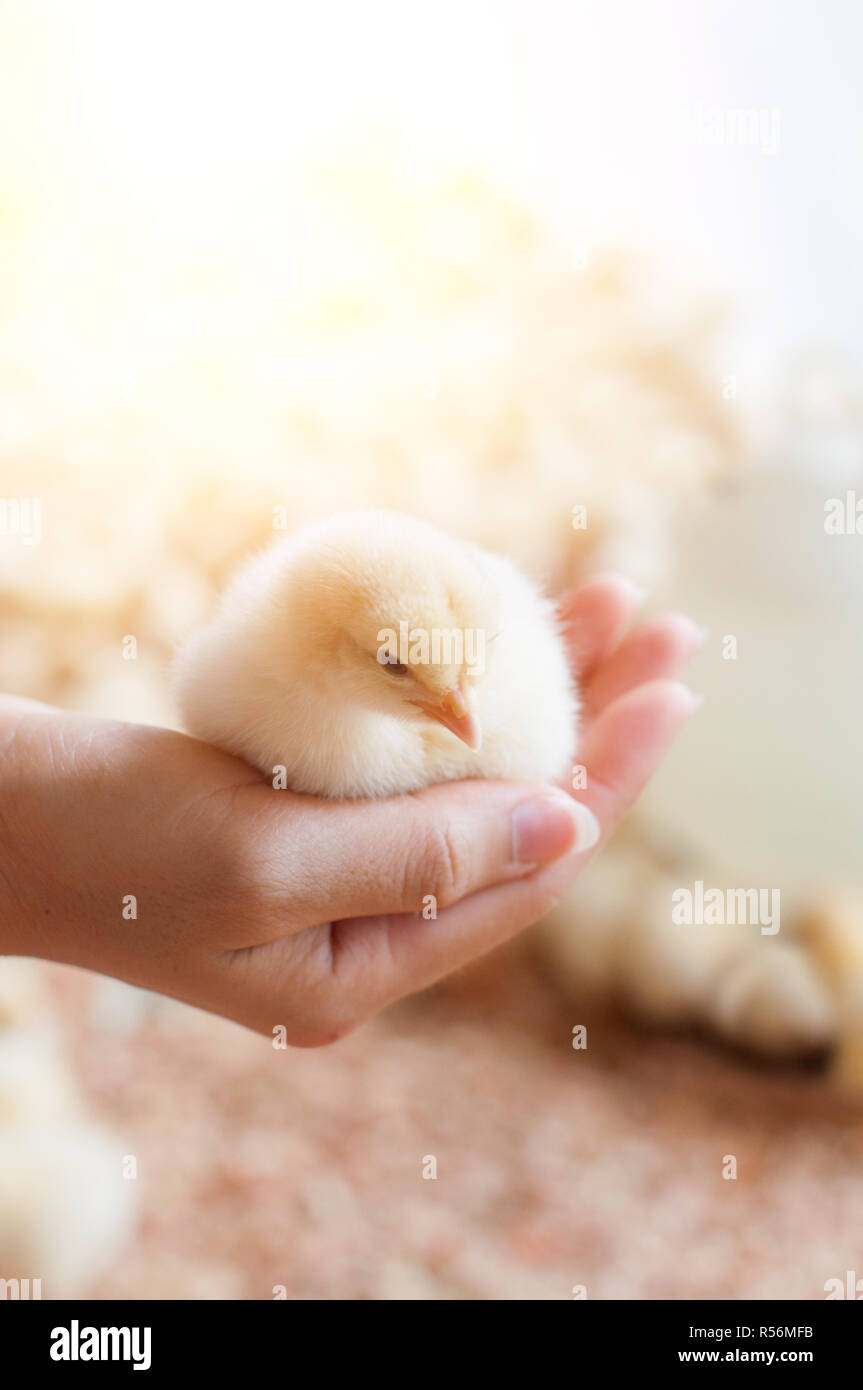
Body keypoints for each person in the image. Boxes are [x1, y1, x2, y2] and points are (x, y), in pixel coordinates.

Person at [0, 576, 700, 1044]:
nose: (464, 718)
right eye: (399, 668)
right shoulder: (242, 679)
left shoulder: (479, 682)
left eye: (465, 681)